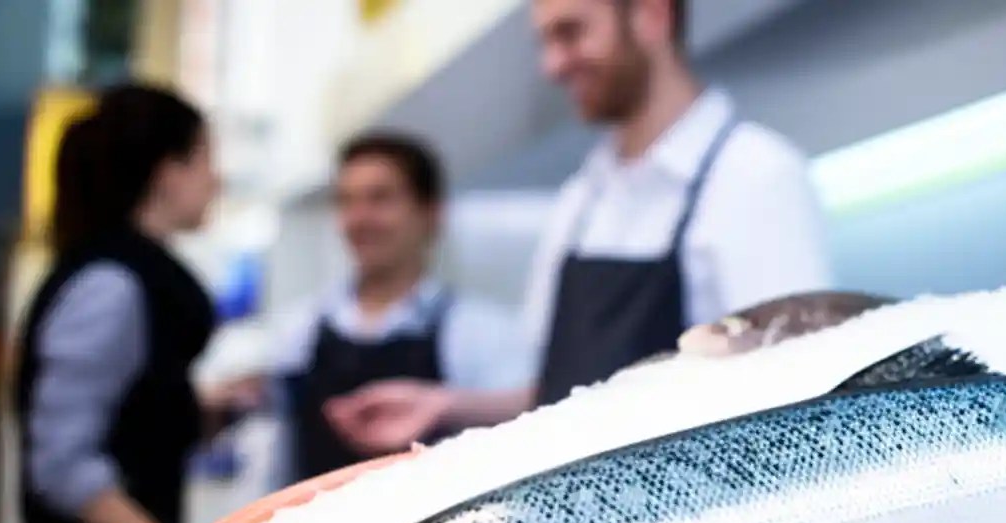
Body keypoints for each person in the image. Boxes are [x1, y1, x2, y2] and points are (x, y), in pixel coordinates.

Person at [324, 0, 834, 454]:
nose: (552, 65)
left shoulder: (753, 176)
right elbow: (559, 395)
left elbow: (796, 404)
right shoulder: (580, 200)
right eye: (545, 41)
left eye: (570, 33)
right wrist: (444, 405)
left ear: (651, 15)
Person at [14, 84, 227, 523]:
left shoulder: (125, 275)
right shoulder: (112, 285)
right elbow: (63, 464)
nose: (217, 179)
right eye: (205, 158)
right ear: (167, 172)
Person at [266, 133, 529, 484]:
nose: (360, 218)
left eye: (380, 199)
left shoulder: (479, 332)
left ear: (430, 214)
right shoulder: (298, 329)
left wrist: (445, 405)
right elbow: (278, 461)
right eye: (347, 201)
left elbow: (536, 420)